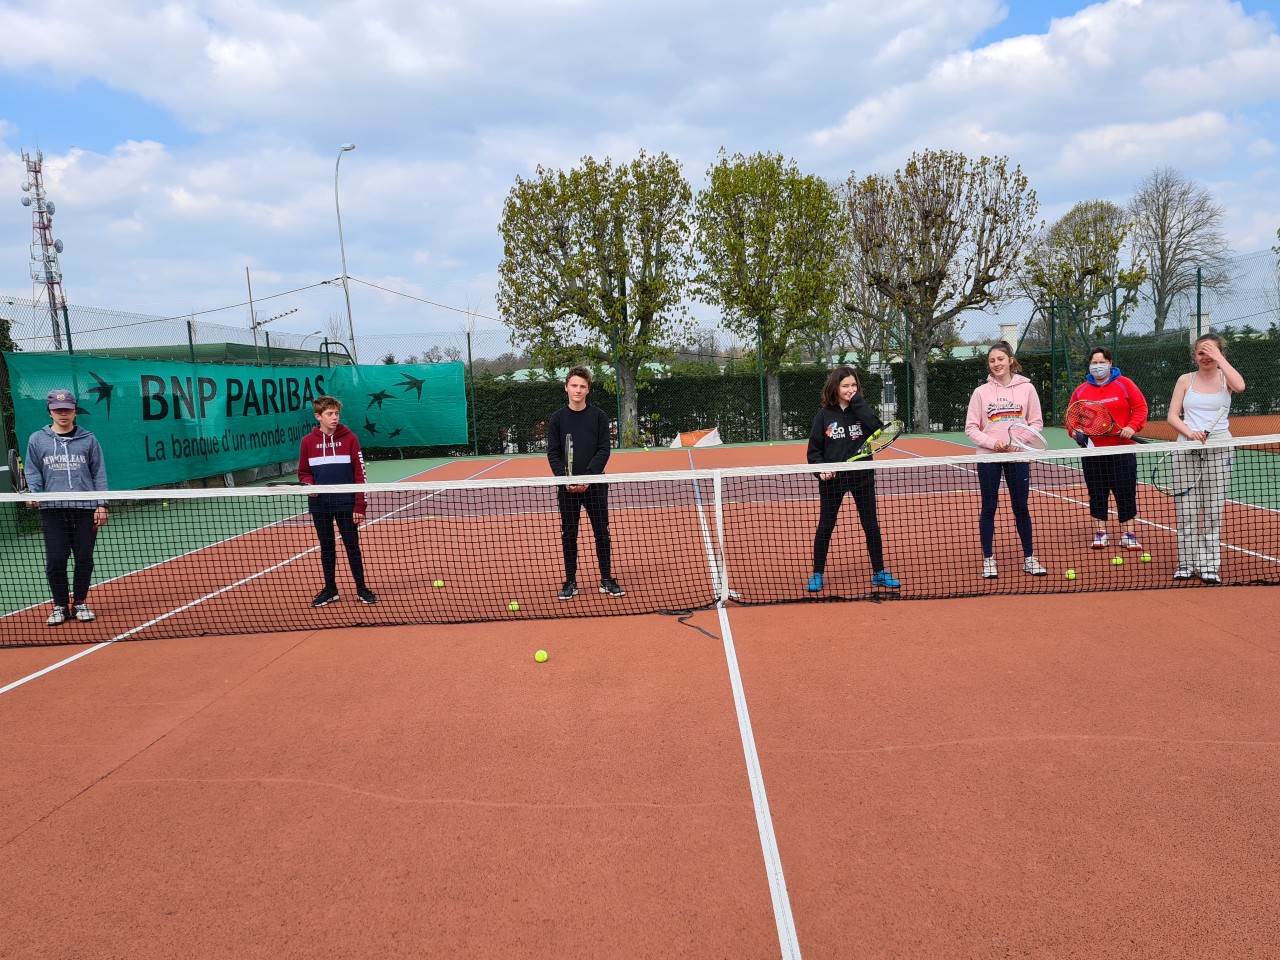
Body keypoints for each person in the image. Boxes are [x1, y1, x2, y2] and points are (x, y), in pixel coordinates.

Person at [805, 366, 900, 592]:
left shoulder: (863, 411)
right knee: (826, 526)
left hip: (862, 477)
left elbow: (878, 431)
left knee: (871, 525)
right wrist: (821, 471)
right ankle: (817, 573)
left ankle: (879, 572)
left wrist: (858, 403)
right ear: (835, 387)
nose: (850, 389)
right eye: (845, 386)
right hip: (832, 482)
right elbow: (814, 452)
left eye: (854, 385)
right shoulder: (823, 416)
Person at [1165, 333, 1246, 584]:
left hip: (1219, 446)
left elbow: (1240, 387)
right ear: (1194, 356)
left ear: (1220, 353)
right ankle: (1186, 563)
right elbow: (1172, 416)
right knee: (1187, 510)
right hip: (1187, 446)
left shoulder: (1226, 378)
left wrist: (1219, 357)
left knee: (1213, 510)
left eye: (1210, 352)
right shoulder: (1185, 380)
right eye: (1201, 352)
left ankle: (1210, 565)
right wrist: (1190, 433)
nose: (1205, 357)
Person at [25, 388, 110, 626]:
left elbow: (99, 473)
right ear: (50, 412)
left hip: (85, 509)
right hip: (53, 510)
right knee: (56, 560)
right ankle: (60, 605)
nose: (63, 414)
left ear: (74, 412)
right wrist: (33, 493)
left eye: (67, 410)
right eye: (58, 410)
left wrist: (102, 504)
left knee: (84, 558)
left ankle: (80, 602)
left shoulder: (89, 439)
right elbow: (32, 471)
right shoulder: (36, 440)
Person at [964, 341, 1048, 579]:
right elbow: (971, 428)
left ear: (1010, 360)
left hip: (1018, 456)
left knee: (1021, 507)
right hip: (989, 458)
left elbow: (1036, 423)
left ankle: (1029, 558)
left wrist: (1018, 441)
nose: (996, 364)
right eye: (992, 360)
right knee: (988, 507)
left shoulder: (1027, 389)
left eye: (1000, 359)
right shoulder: (981, 392)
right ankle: (988, 559)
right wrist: (994, 444)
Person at [547, 366, 624, 600]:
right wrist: (565, 479)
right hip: (567, 488)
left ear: (588, 389)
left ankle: (606, 579)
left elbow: (603, 449)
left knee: (602, 532)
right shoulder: (557, 419)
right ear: (566, 387)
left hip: (596, 486)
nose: (578, 390)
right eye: (574, 385)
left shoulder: (599, 416)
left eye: (582, 386)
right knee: (569, 534)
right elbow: (553, 453)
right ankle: (570, 581)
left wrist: (588, 477)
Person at [298, 395, 378, 607]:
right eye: (329, 414)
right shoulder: (307, 442)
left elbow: (360, 473)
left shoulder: (350, 438)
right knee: (327, 548)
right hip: (320, 505)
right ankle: (330, 589)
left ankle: (362, 588)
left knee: (352, 546)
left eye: (336, 413)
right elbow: (304, 472)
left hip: (346, 503)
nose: (335, 417)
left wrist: (359, 506)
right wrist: (309, 485)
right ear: (318, 416)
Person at [1068, 347, 1149, 551]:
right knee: (1097, 493)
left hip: (1122, 450)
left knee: (1125, 492)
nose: (1097, 366)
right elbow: (1072, 418)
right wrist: (1075, 432)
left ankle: (1128, 534)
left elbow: (1140, 408)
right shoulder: (1081, 391)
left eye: (1101, 362)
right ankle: (1100, 533)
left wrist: (1132, 427)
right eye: (1094, 363)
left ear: (1110, 363)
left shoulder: (1125, 384)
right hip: (1093, 451)